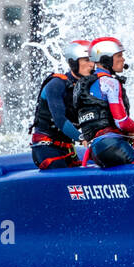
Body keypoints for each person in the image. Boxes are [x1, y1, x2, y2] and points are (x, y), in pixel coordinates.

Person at [73, 36, 134, 167]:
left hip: (97, 150)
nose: (123, 59)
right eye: (119, 56)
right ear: (106, 59)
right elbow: (122, 122)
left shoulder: (84, 84)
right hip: (112, 145)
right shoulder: (110, 82)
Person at [29, 39, 91, 170]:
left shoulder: (89, 87)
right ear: (73, 62)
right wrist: (82, 138)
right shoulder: (56, 84)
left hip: (68, 150)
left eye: (92, 60)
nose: (92, 65)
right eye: (86, 60)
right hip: (46, 148)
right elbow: (60, 120)